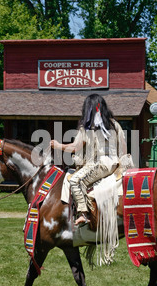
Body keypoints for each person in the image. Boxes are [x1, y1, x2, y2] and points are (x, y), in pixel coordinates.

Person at [50, 94, 127, 226]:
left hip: (99, 164)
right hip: (114, 164)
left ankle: (84, 214)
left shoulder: (87, 127)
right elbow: (124, 148)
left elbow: (75, 147)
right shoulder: (114, 124)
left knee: (75, 181)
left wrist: (58, 146)